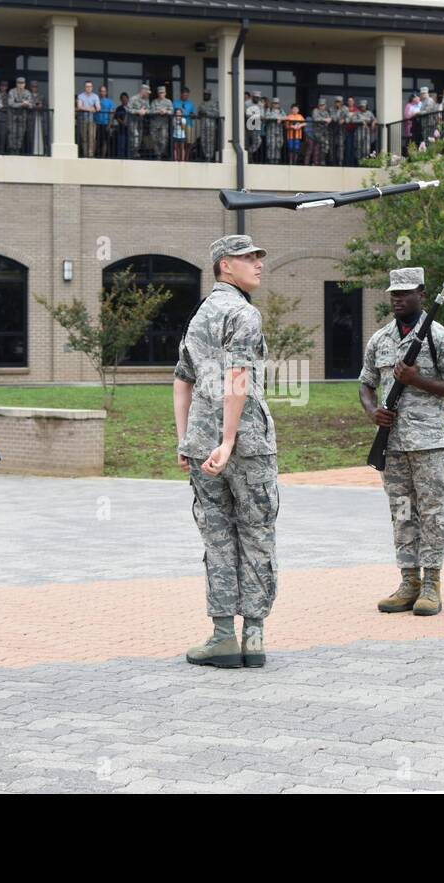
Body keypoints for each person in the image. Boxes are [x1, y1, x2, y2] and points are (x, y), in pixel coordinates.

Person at [173, 234, 278, 670]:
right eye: (247, 257)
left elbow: (182, 380)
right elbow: (237, 375)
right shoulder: (243, 313)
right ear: (224, 266)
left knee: (217, 537)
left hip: (201, 445)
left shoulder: (199, 315)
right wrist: (230, 439)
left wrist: (186, 439)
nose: (257, 263)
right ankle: (252, 636)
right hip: (246, 444)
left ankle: (222, 637)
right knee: (256, 533)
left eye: (258, 256)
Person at [361, 267, 444, 617]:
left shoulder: (441, 339)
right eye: (393, 292)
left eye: (405, 292)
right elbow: (365, 383)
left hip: (430, 443)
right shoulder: (380, 339)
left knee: (432, 513)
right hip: (392, 444)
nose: (398, 298)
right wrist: (372, 411)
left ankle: (431, 585)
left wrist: (417, 380)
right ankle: (408, 581)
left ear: (422, 295)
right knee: (402, 512)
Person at [6, 76, 35, 154]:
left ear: (25, 84)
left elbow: (31, 105)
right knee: (12, 134)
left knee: (20, 134)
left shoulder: (27, 93)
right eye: (19, 83)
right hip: (13, 117)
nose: (21, 85)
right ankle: (12, 151)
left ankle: (17, 151)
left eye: (22, 83)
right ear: (16, 84)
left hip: (22, 117)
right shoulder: (12, 92)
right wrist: (22, 104)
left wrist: (27, 105)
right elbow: (11, 103)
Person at [126, 83, 151, 158]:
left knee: (139, 139)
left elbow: (149, 109)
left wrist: (145, 111)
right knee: (135, 137)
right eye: (147, 92)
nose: (147, 94)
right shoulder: (133, 98)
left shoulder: (146, 100)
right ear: (143, 91)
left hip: (140, 121)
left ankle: (135, 153)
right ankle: (132, 154)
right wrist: (138, 111)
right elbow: (128, 109)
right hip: (133, 122)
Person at [76, 80, 99, 157]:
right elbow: (79, 106)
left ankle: (91, 154)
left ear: (92, 87)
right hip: (83, 120)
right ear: (85, 87)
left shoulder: (95, 96)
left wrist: (93, 108)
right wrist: (90, 109)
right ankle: (85, 154)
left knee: (92, 138)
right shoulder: (80, 96)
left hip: (92, 120)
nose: (88, 88)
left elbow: (98, 108)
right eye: (87, 86)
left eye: (90, 86)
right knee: (84, 138)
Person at [197, 89, 219, 162]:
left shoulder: (214, 103)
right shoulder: (201, 104)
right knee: (203, 140)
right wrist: (199, 114)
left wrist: (206, 113)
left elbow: (217, 113)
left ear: (210, 95)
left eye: (206, 94)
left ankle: (209, 156)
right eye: (204, 94)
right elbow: (199, 114)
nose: (205, 95)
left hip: (211, 125)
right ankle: (205, 154)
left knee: (210, 141)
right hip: (203, 125)